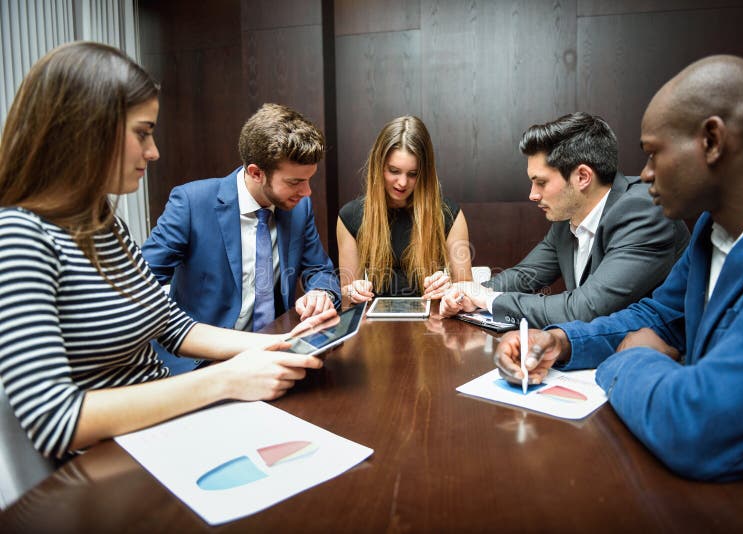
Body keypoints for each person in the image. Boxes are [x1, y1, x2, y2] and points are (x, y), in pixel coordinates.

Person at [495, 55, 743, 526]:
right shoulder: (710, 229)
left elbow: (699, 424)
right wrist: (559, 342)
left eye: (654, 153)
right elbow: (659, 317)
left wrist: (631, 359)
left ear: (713, 141)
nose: (646, 174)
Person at [0, 41, 336, 460]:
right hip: (111, 461)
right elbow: (56, 420)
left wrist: (278, 343)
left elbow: (174, 328)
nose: (154, 151)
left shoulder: (108, 226)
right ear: (84, 131)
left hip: (162, 432)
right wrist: (224, 381)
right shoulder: (19, 236)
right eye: (142, 133)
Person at [141, 103, 340, 373]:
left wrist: (321, 292)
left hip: (274, 353)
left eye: (309, 180)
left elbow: (320, 268)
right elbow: (141, 286)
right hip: (202, 363)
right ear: (256, 173)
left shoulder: (298, 209)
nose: (307, 193)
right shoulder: (192, 203)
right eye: (295, 182)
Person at [440, 112, 689, 327]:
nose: (532, 194)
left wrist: (487, 299)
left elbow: (585, 309)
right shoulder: (566, 219)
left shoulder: (644, 211)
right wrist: (465, 293)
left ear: (582, 177)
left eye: (541, 182)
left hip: (656, 359)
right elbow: (525, 276)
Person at [337, 116, 472, 303]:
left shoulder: (449, 214)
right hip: (376, 328)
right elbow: (346, 293)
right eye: (393, 171)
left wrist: (451, 290)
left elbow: (467, 289)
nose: (402, 183)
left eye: (413, 174)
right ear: (379, 166)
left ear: (424, 173)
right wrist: (353, 291)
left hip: (433, 325)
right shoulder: (350, 216)